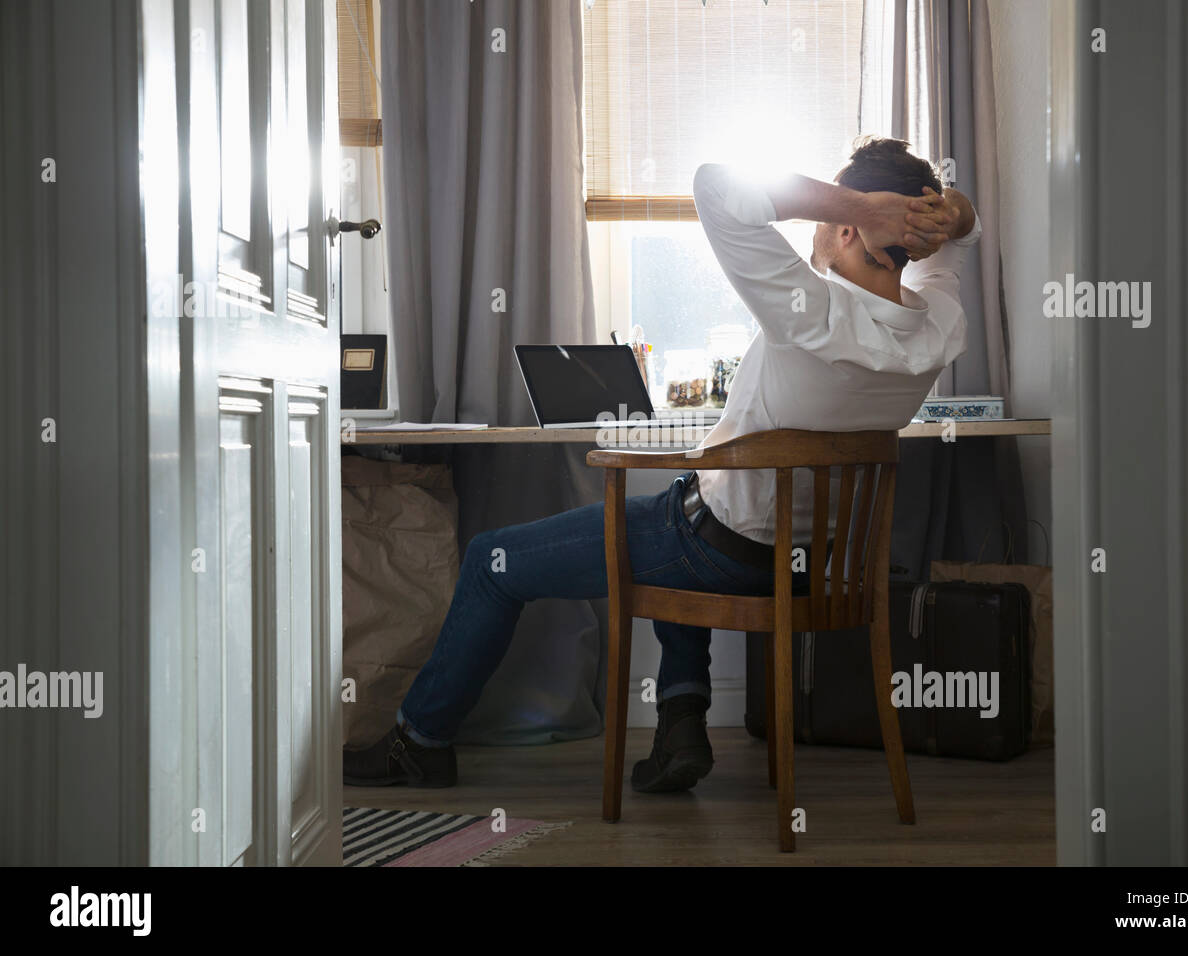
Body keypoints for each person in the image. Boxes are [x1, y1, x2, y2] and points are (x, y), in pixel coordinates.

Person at [343, 135, 980, 792]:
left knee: (493, 560)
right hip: (809, 566)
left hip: (722, 554)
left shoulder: (806, 309)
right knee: (679, 510)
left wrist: (857, 201)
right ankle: (681, 722)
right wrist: (941, 215)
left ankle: (418, 741)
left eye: (834, 211)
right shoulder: (938, 329)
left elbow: (716, 185)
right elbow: (965, 230)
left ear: (852, 225)